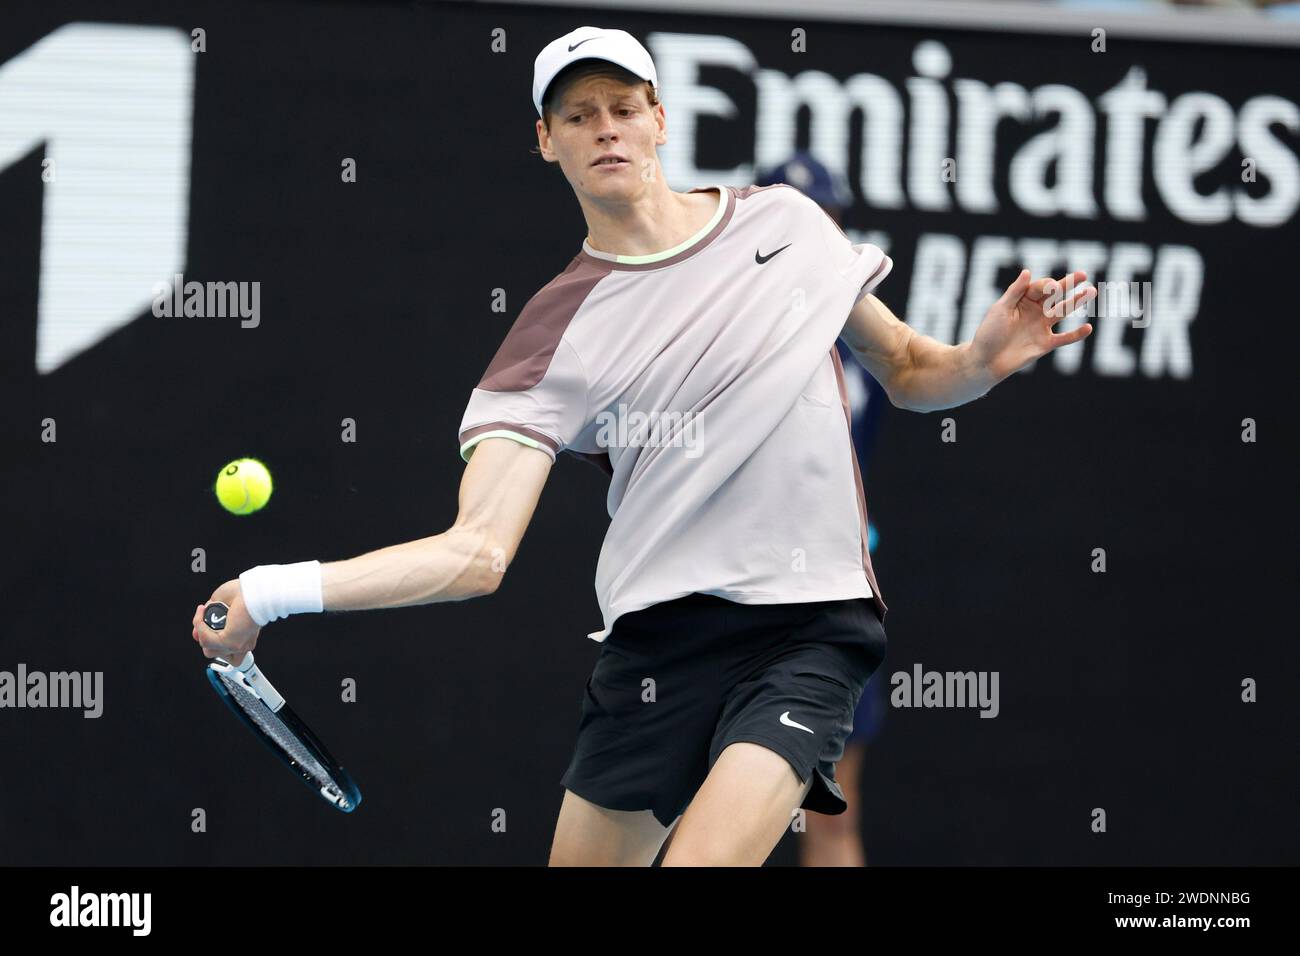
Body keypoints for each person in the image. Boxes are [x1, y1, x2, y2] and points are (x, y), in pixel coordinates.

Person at [190, 25, 1097, 867]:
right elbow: (475, 554)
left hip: (809, 632)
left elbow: (905, 365)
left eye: (625, 108)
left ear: (660, 119)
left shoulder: (786, 224)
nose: (607, 130)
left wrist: (982, 358)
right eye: (579, 116)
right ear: (546, 141)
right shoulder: (550, 335)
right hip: (655, 652)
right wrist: (271, 592)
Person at [755, 152, 889, 867]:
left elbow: (934, 372)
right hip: (727, 594)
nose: (809, 236)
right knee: (695, 820)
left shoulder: (866, 335)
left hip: (834, 597)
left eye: (825, 221)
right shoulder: (714, 324)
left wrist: (986, 356)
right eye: (791, 218)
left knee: (829, 815)